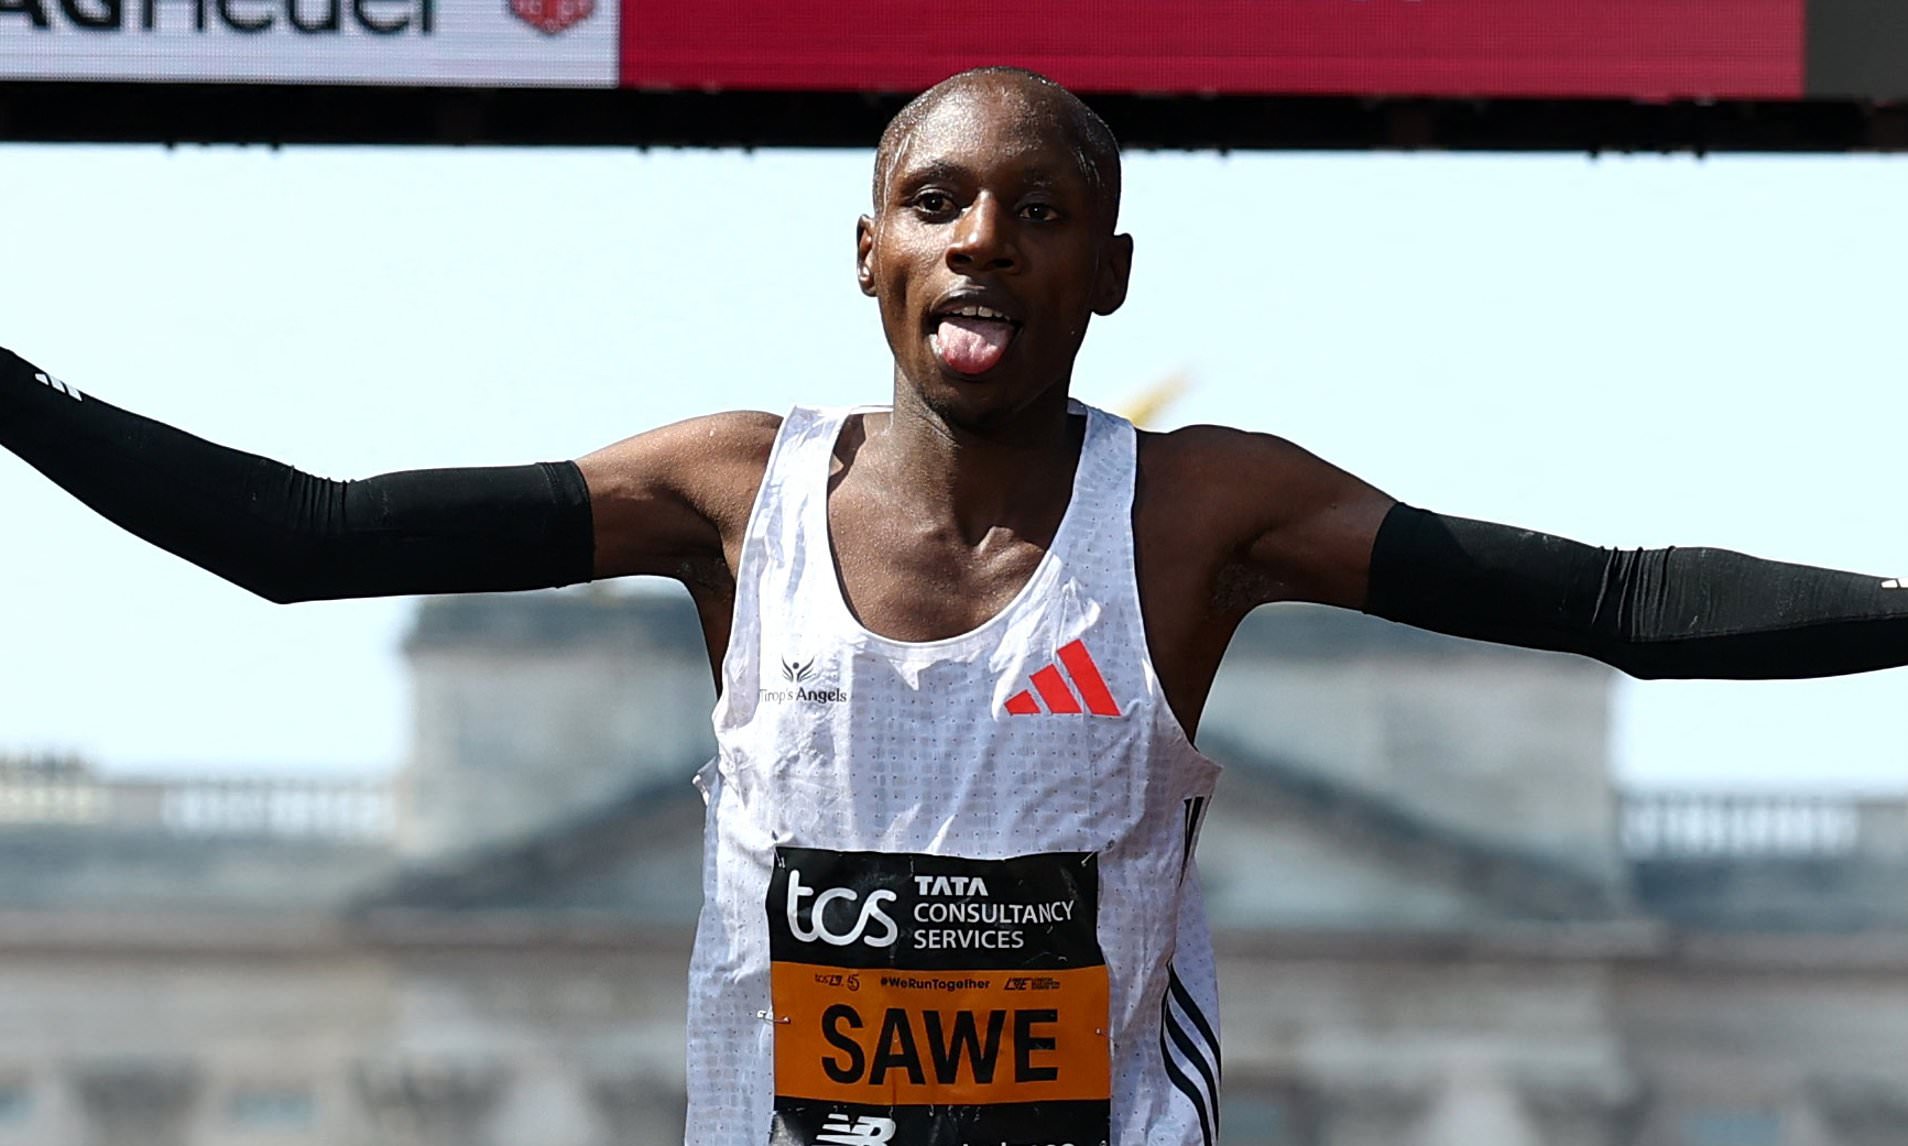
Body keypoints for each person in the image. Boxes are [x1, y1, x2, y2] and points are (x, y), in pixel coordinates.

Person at [3, 65, 1907, 1146]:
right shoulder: (732, 491)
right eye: (936, 201)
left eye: (1039, 209)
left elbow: (1625, 599)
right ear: (869, 254)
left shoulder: (1203, 513)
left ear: (1112, 271)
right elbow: (305, 533)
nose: (983, 235)